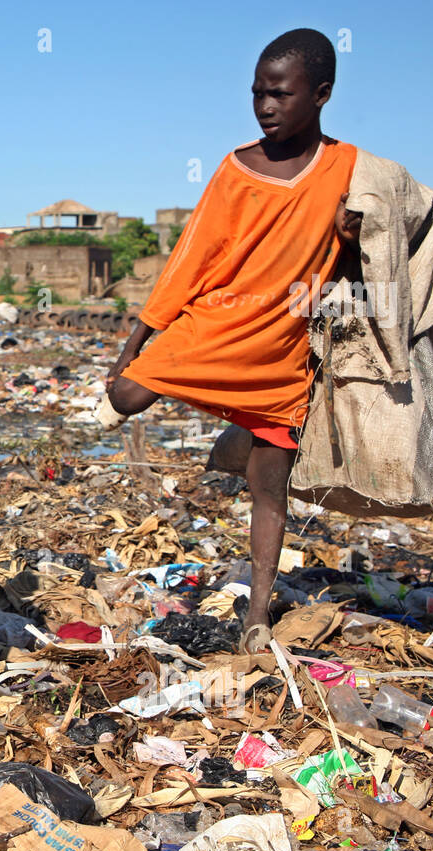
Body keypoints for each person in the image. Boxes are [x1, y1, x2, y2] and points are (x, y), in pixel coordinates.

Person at [105, 29, 361, 654]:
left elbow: (367, 266)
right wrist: (138, 338)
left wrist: (353, 236)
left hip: (281, 347)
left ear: (321, 95)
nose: (266, 106)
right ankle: (235, 438)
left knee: (268, 488)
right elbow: (192, 257)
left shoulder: (351, 168)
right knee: (126, 397)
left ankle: (257, 616)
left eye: (280, 94)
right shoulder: (238, 166)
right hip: (221, 322)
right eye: (257, 94)